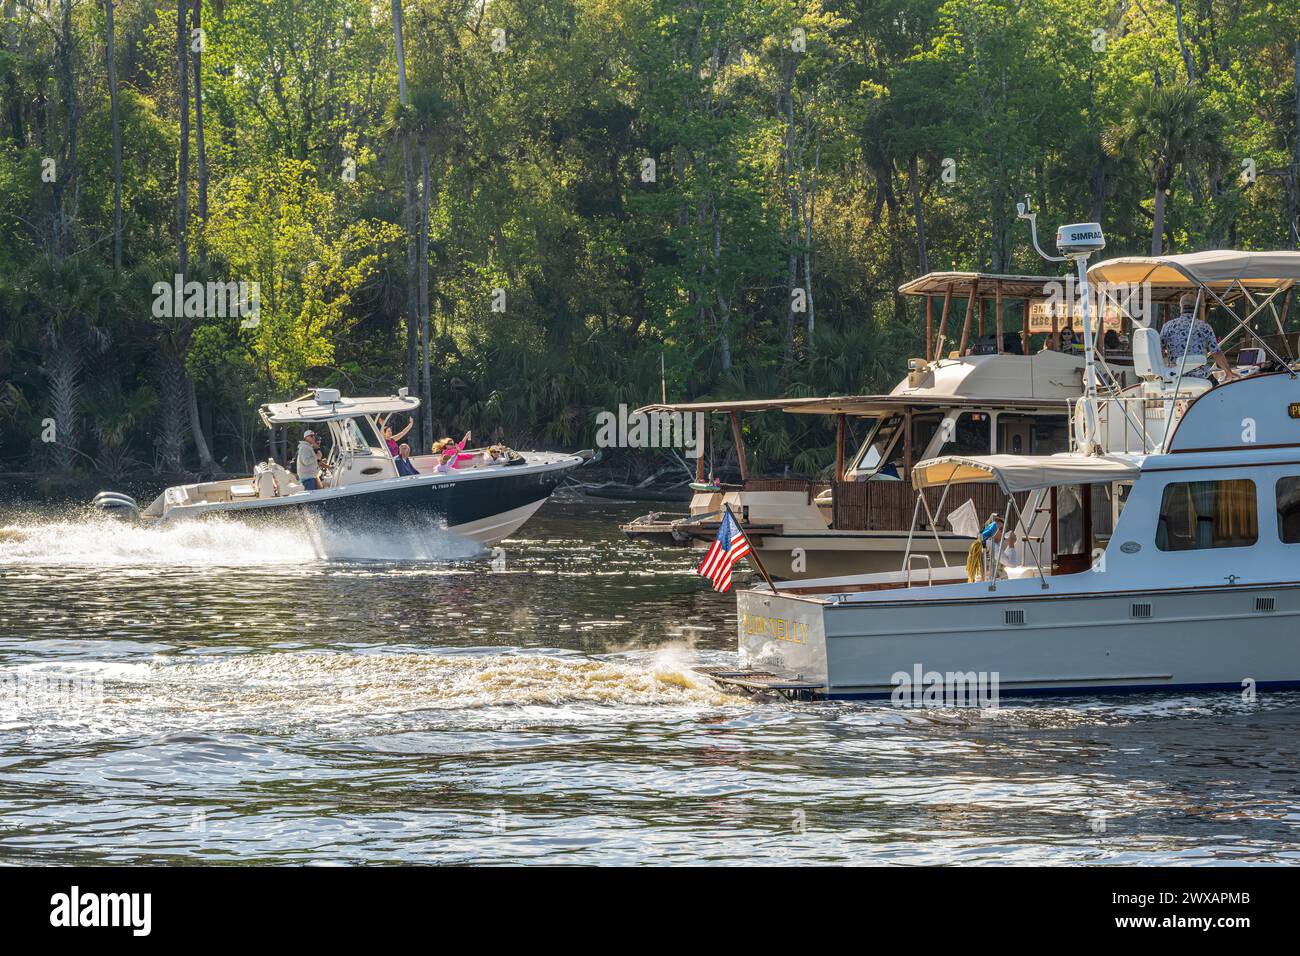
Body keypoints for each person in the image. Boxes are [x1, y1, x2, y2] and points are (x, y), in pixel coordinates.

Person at [1160, 293, 1238, 382]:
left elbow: (1159, 352)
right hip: (1201, 377)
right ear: (1196, 308)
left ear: (1181, 307)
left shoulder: (1167, 326)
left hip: (1175, 376)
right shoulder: (1204, 327)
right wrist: (1228, 372)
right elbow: (1216, 352)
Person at [965, 513, 1019, 582]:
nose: (1003, 532)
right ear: (992, 530)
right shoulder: (991, 545)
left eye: (1004, 529)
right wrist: (1011, 544)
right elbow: (1012, 564)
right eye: (1000, 529)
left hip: (985, 584)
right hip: (993, 586)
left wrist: (1010, 544)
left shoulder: (986, 543)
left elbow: (1003, 559)